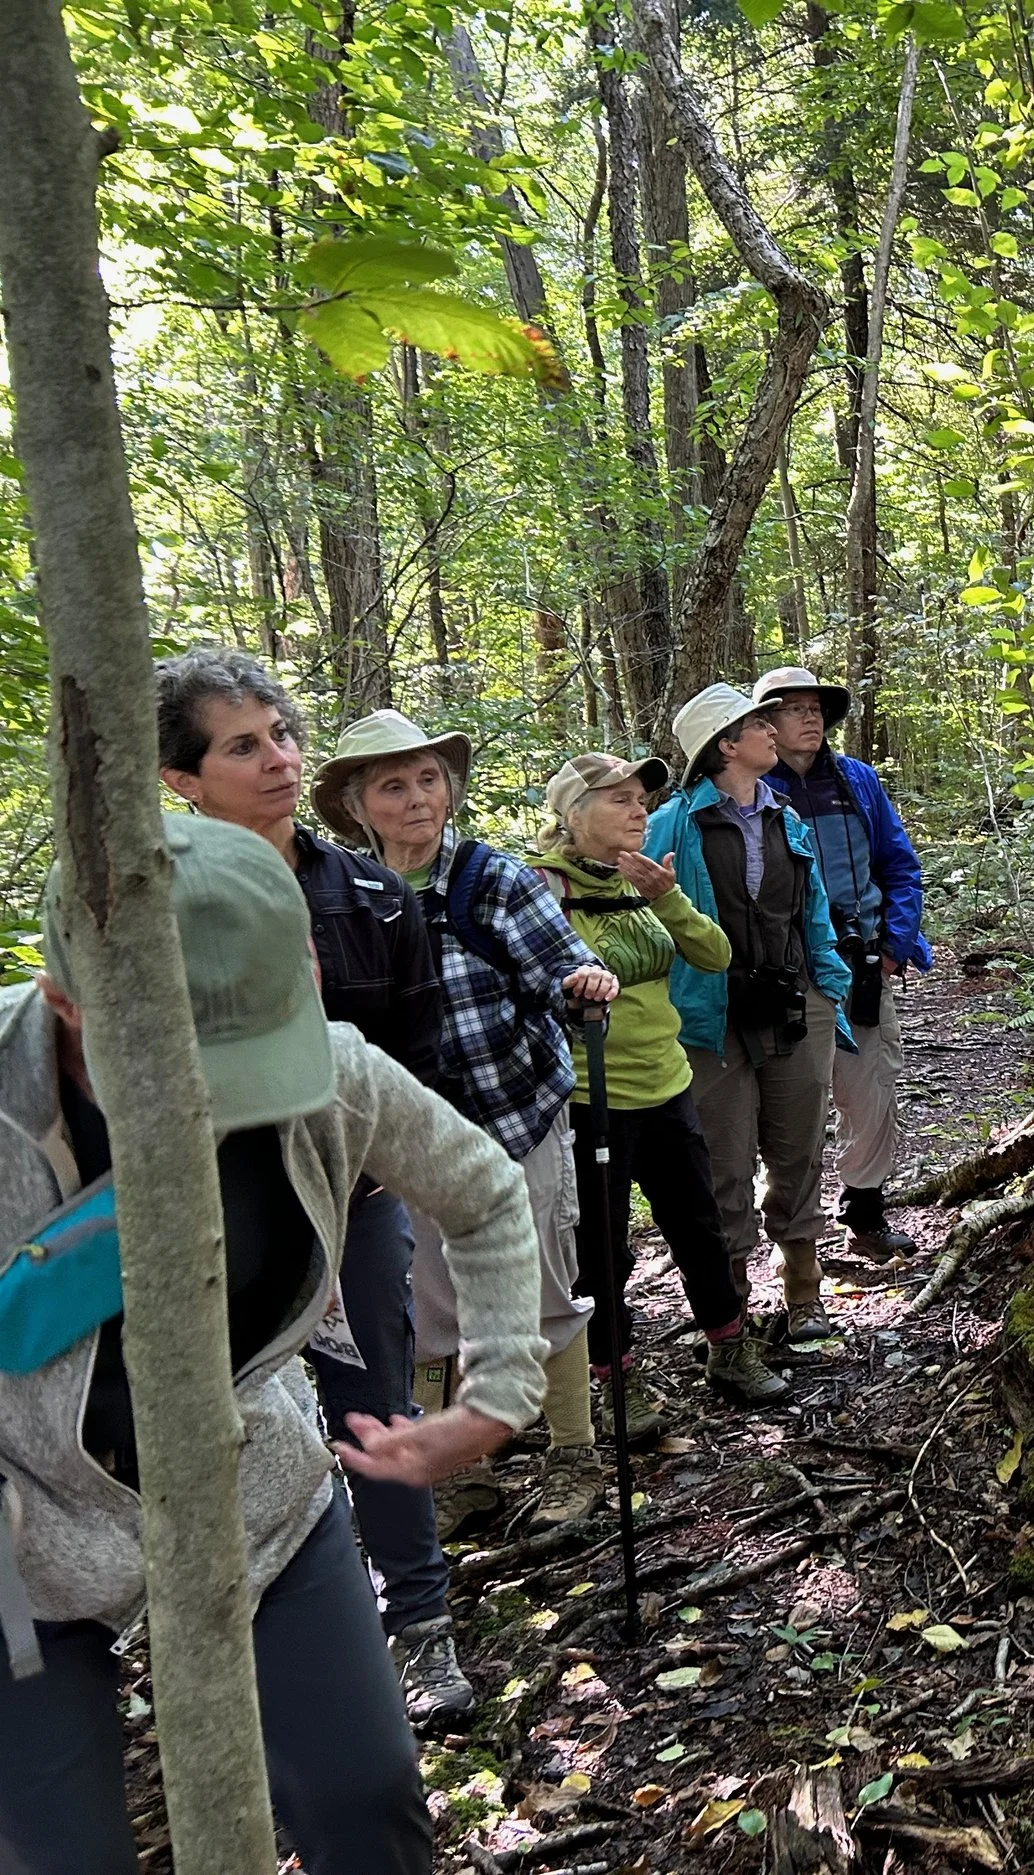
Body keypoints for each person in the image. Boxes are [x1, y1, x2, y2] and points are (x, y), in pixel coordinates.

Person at [0, 813, 546, 1875]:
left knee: (365, 1795)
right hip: (25, 1539)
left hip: (255, 1486)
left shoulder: (334, 1068)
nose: (218, 1111)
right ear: (67, 1001)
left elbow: (481, 1193)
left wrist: (497, 1393)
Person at [154, 647, 474, 1725]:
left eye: (282, 733)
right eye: (243, 746)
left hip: (355, 1199)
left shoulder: (375, 896)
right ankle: (245, 1642)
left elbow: (417, 1058)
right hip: (203, 1217)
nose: (280, 759)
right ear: (182, 779)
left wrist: (370, 1184)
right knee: (224, 1421)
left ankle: (420, 1627)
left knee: (373, 1401)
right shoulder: (148, 906)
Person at [311, 710, 620, 1533]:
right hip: (405, 1141)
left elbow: (563, 965)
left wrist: (587, 983)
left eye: (428, 779)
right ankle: (463, 1468)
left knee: (544, 1292)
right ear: (356, 804)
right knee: (433, 1307)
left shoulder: (495, 880)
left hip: (515, 1119)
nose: (418, 799)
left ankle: (572, 1452)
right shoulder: (343, 896)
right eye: (393, 785)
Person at [534, 752, 789, 1421]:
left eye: (641, 798)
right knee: (602, 1250)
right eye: (617, 799)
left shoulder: (642, 881)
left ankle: (729, 1349)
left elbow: (715, 953)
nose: (638, 809)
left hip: (667, 1084)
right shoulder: (539, 888)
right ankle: (616, 1380)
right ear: (572, 814)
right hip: (593, 1097)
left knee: (698, 1226)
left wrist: (664, 896)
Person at [647, 685, 853, 1343]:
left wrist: (830, 984)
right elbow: (646, 920)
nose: (774, 729)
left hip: (794, 1006)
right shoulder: (672, 824)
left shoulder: (785, 817)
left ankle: (803, 1292)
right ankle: (729, 1310)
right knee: (722, 1160)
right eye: (756, 723)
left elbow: (811, 909)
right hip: (709, 1019)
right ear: (725, 745)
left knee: (798, 1152)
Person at [755, 667, 932, 1266]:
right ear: (763, 724)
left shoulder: (856, 781)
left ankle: (865, 1211)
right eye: (792, 708)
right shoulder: (749, 790)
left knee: (871, 1091)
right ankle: (794, 1235)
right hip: (787, 974)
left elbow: (899, 865)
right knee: (793, 1102)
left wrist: (892, 946)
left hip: (861, 965)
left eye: (816, 708)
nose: (809, 718)